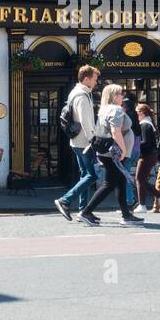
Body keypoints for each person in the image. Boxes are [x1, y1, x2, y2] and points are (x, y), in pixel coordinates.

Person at [79, 83, 137, 226]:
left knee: (120, 181)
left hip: (108, 152)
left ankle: (126, 214)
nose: (122, 96)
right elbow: (115, 131)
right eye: (120, 94)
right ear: (113, 96)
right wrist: (123, 150)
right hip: (115, 153)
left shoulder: (103, 109)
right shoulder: (115, 110)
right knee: (109, 184)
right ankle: (86, 211)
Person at [54, 64, 100, 222]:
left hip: (77, 141)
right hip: (84, 142)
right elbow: (85, 120)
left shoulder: (77, 92)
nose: (96, 82)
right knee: (91, 176)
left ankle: (83, 210)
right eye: (94, 79)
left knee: (84, 175)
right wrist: (93, 139)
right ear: (86, 79)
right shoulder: (81, 95)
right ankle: (65, 200)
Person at [132, 104, 158, 216]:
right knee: (140, 179)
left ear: (142, 113)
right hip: (149, 155)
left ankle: (142, 205)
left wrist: (134, 145)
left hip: (147, 155)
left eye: (136, 112)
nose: (135, 115)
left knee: (139, 178)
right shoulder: (148, 124)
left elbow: (146, 142)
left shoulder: (145, 125)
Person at [121, 94, 139, 209]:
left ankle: (130, 200)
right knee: (125, 174)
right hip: (136, 150)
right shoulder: (135, 116)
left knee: (125, 175)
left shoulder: (126, 118)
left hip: (128, 149)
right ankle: (129, 199)